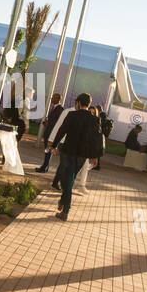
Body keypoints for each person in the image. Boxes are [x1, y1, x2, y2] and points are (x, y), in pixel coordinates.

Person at [48, 93, 103, 221]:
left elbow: (62, 130)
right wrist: (95, 157)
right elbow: (97, 139)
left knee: (67, 180)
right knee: (70, 178)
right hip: (82, 155)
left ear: (78, 103)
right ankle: (62, 202)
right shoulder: (95, 119)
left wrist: (53, 145)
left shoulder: (72, 115)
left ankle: (65, 210)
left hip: (68, 151)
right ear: (88, 104)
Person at [74, 106, 104, 195]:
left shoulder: (96, 124)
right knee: (76, 168)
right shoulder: (82, 122)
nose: (91, 114)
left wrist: (95, 156)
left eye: (93, 113)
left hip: (89, 151)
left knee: (85, 168)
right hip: (79, 149)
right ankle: (71, 184)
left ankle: (81, 185)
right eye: (90, 112)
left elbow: (97, 140)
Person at [35, 93, 65, 173]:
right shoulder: (55, 108)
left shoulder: (59, 109)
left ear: (58, 99)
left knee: (48, 151)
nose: (52, 99)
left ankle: (44, 167)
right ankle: (45, 166)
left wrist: (49, 124)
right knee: (47, 151)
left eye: (54, 98)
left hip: (51, 134)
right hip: (48, 131)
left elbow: (58, 122)